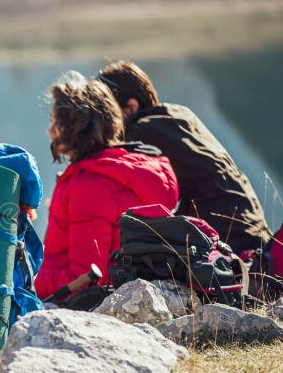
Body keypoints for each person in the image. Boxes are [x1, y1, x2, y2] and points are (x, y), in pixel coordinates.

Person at [97, 61, 272, 256]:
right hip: (254, 232)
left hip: (226, 242)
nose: (104, 123)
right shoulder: (180, 115)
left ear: (130, 107)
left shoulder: (140, 133)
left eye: (108, 113)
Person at [34, 72, 178, 300]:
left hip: (75, 304)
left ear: (76, 126)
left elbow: (85, 277)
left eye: (56, 121)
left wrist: (28, 282)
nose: (50, 130)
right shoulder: (120, 170)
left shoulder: (89, 185)